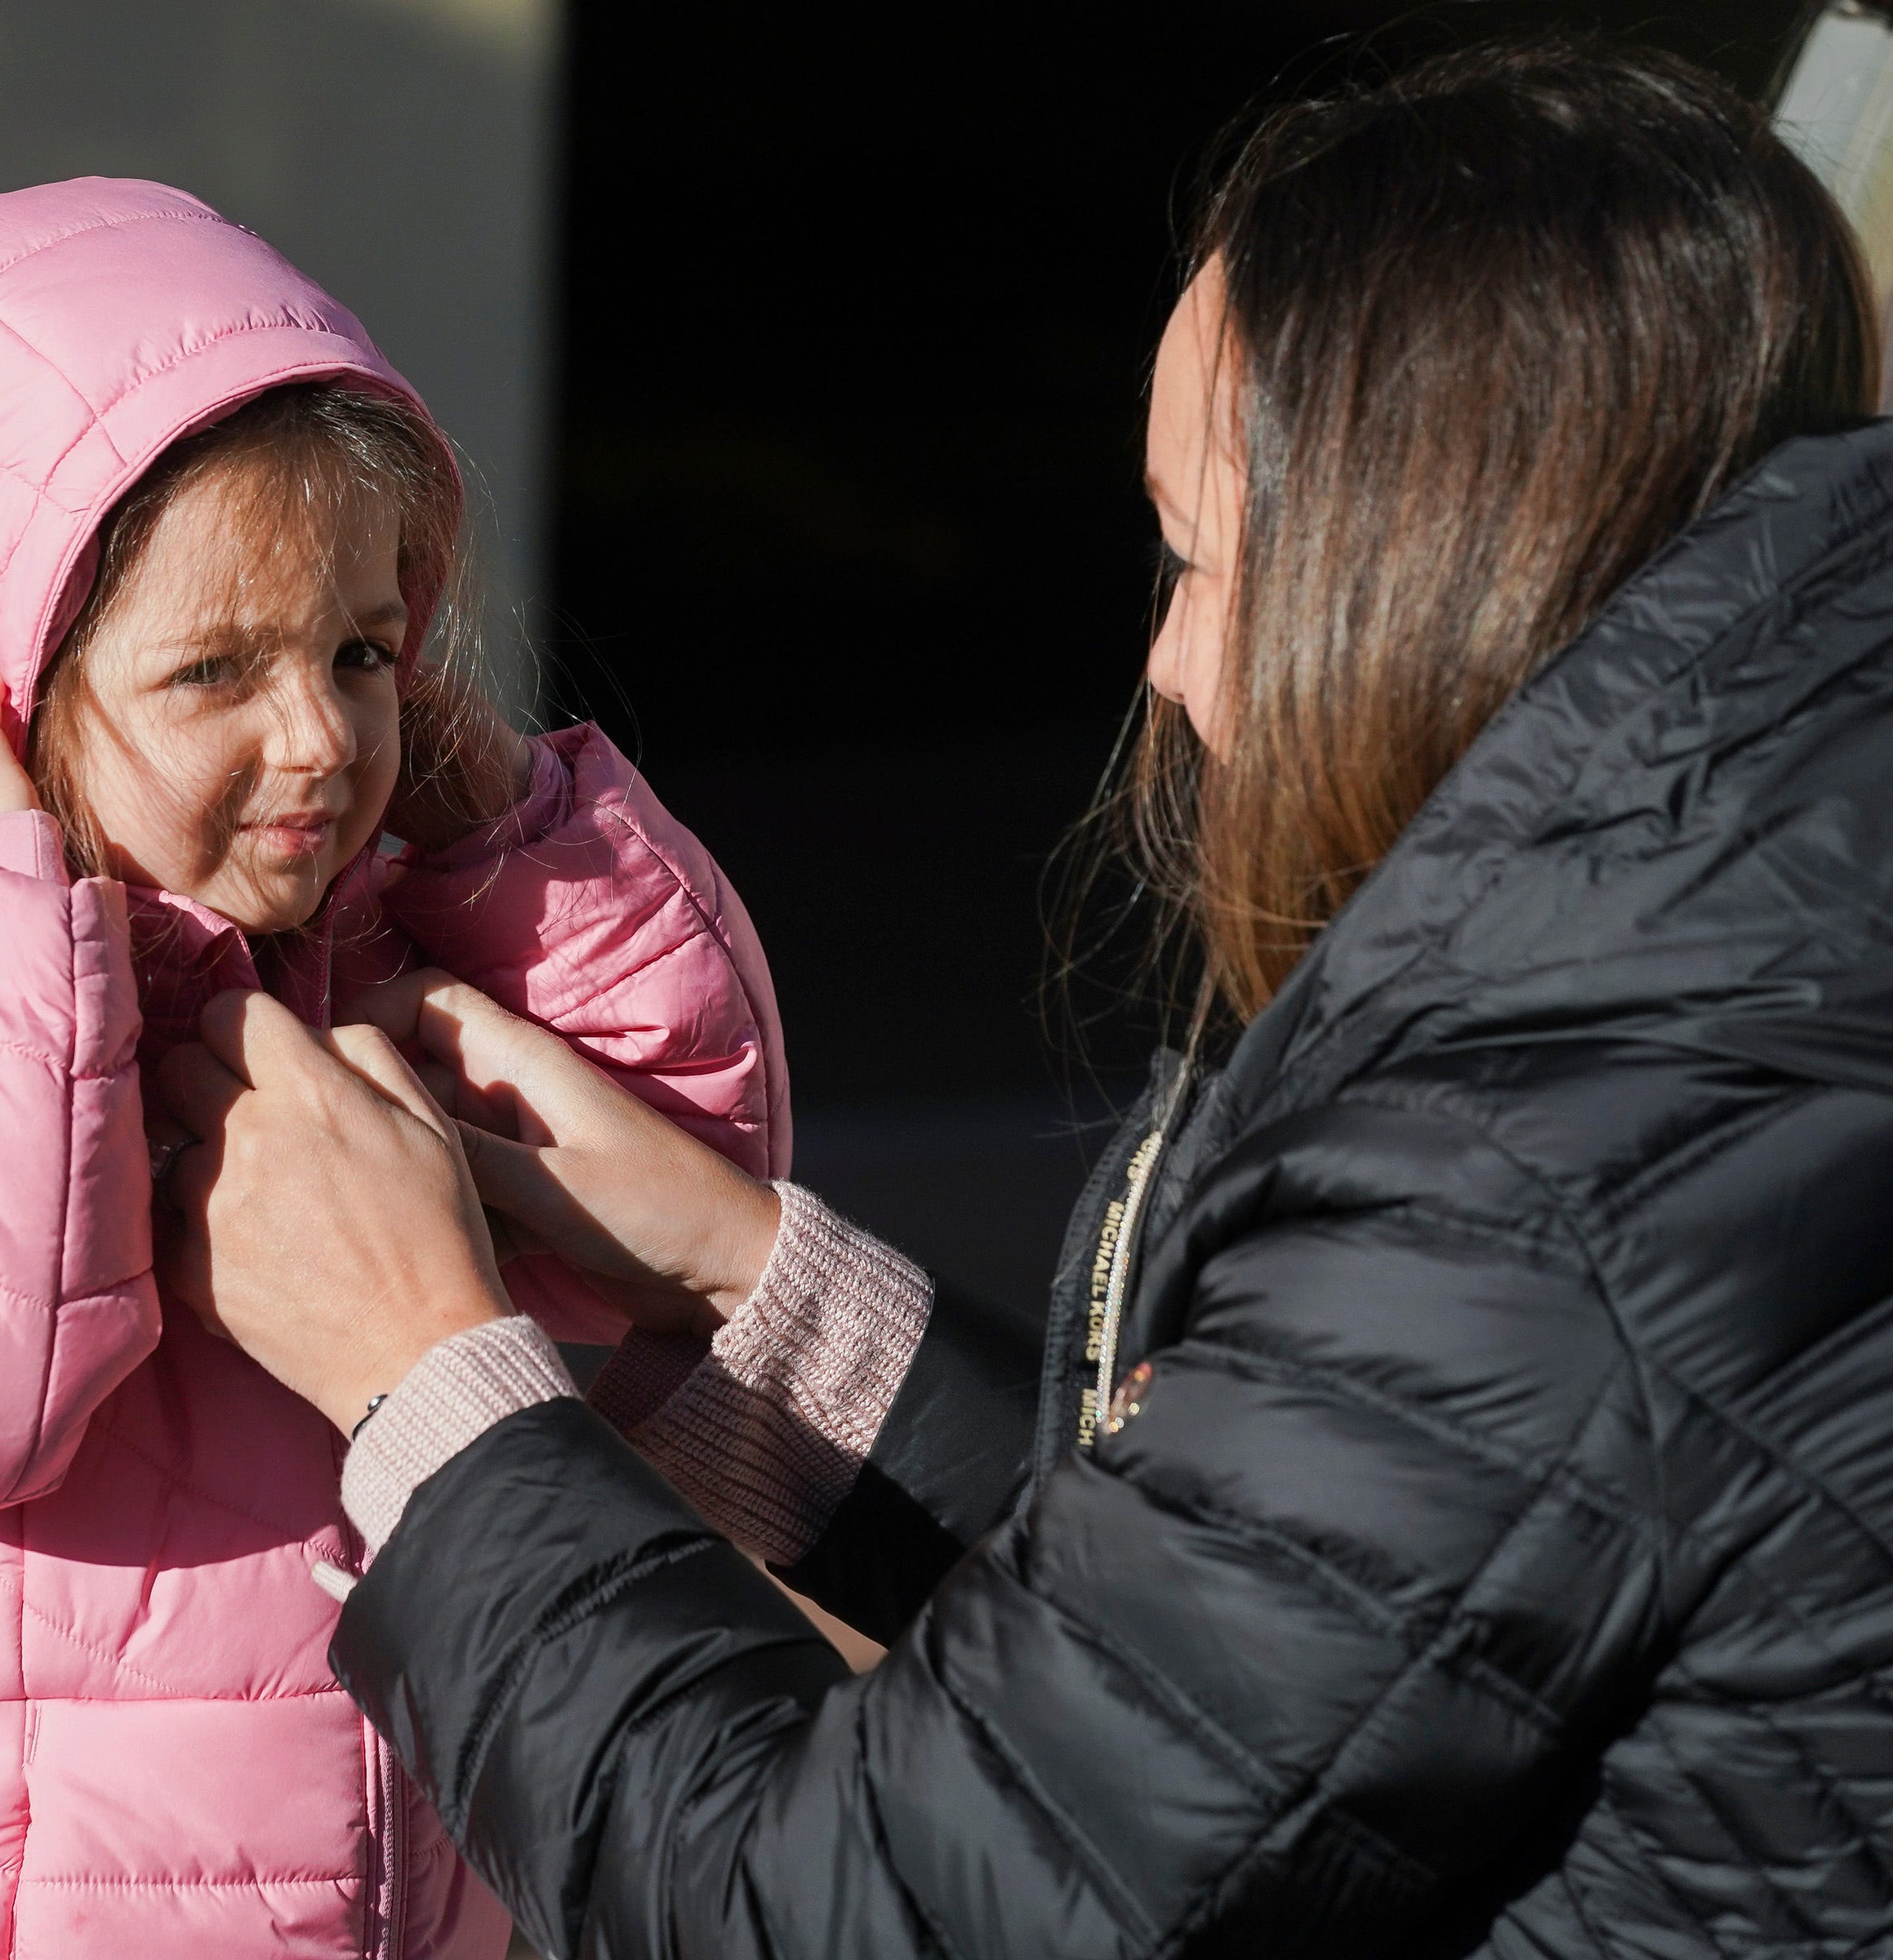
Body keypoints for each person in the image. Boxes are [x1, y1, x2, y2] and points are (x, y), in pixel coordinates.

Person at [159, 42, 1893, 1956]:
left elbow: (871, 1911)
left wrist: (427, 1373)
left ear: (1421, 574)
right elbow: (1270, 1648)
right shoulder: (1729, 962)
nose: (1170, 666)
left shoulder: (1541, 1168)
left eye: (1200, 560)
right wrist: (747, 1290)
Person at [0, 178, 786, 1959]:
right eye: (217, 670)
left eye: (363, 650)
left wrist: (523, 834)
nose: (320, 735)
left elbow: (685, 1192)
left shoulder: (360, 967)